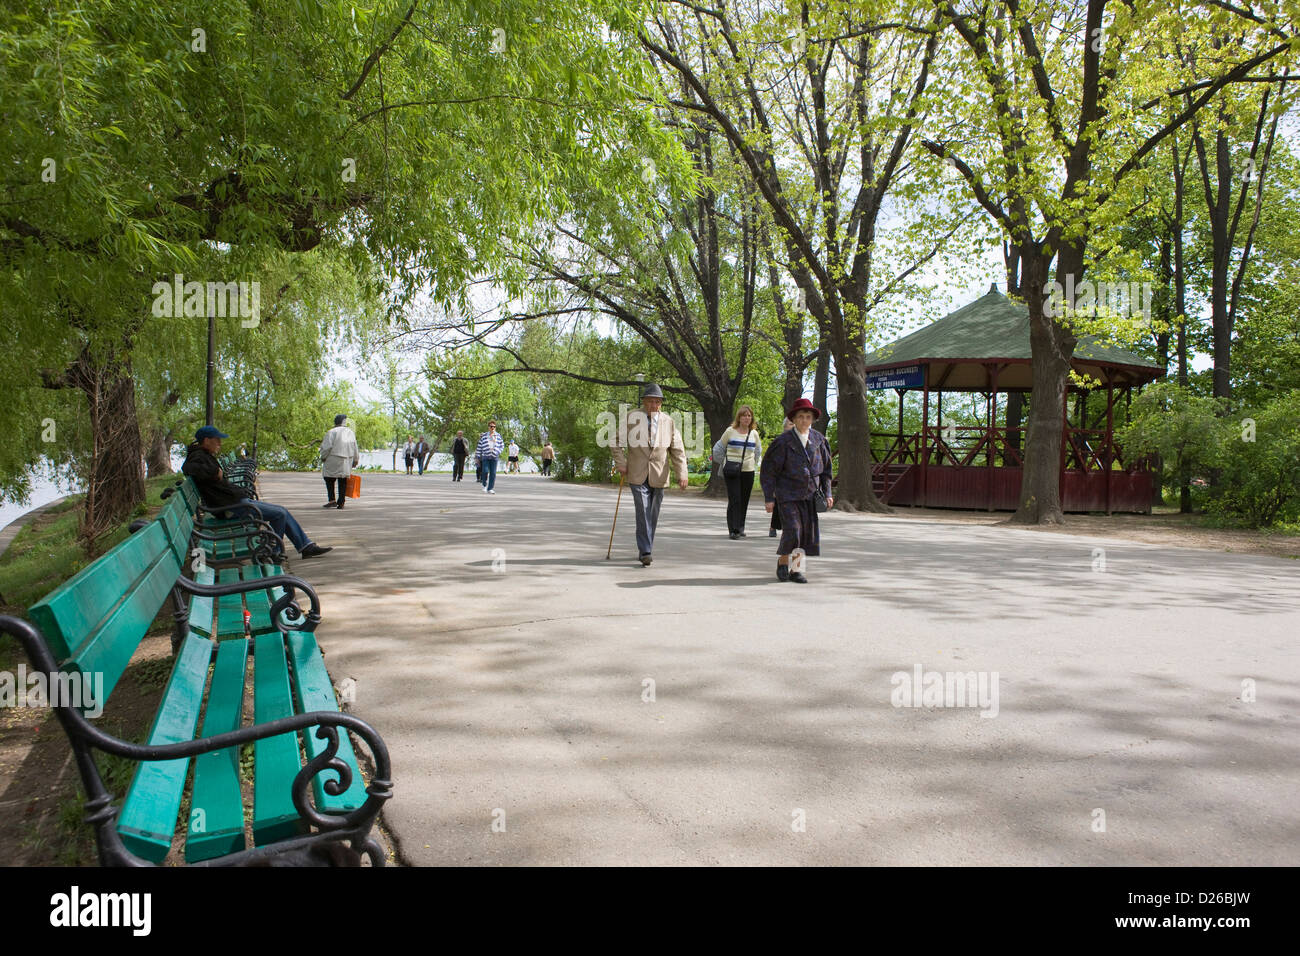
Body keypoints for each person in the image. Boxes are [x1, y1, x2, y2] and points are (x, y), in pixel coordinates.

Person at [183, 425, 332, 559]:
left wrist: (216, 473)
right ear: (207, 440)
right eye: (217, 440)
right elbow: (188, 468)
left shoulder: (202, 455)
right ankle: (274, 552)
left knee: (281, 511)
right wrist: (215, 471)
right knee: (279, 514)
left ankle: (304, 546)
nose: (220, 443)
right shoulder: (197, 456)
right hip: (229, 507)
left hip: (233, 502)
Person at [612, 383, 688, 566]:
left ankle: (646, 547)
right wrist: (621, 463)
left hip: (659, 474)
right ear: (644, 402)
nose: (654, 405)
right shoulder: (631, 418)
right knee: (642, 509)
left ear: (661, 404)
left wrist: (682, 473)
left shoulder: (668, 422)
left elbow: (677, 449)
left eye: (657, 402)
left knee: (653, 513)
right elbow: (615, 441)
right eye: (650, 401)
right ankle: (646, 550)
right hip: (637, 472)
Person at [760, 399, 833, 583]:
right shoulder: (782, 442)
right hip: (787, 494)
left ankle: (797, 569)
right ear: (793, 418)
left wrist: (828, 493)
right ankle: (783, 563)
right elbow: (768, 471)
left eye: (808, 417)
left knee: (805, 532)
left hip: (810, 494)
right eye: (800, 417)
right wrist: (769, 497)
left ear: (812, 420)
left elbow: (826, 471)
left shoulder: (819, 440)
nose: (804, 420)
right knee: (793, 529)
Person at [712, 405, 763, 539]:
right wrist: (725, 462)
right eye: (744, 415)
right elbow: (717, 450)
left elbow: (758, 452)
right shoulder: (730, 431)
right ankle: (733, 530)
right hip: (732, 471)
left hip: (748, 471)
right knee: (735, 499)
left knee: (744, 500)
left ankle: (740, 527)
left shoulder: (754, 434)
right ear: (739, 417)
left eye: (749, 415)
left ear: (751, 418)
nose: (746, 418)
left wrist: (753, 464)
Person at [320, 413, 360, 509]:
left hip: (333, 458)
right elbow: (355, 447)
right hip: (346, 459)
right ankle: (341, 502)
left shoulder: (331, 432)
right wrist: (355, 459)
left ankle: (332, 500)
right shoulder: (350, 432)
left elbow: (326, 447)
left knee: (329, 478)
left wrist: (323, 457)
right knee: (343, 480)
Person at [769, 418, 794, 537]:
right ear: (785, 426)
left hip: (794, 477)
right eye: (790, 424)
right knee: (779, 503)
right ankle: (773, 526)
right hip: (780, 477)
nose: (793, 426)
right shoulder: (778, 442)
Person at [477, 420, 505, 493]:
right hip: (485, 456)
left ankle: (490, 488)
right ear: (488, 427)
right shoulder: (484, 436)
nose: (493, 428)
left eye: (494, 427)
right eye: (491, 426)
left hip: (494, 456)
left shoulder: (498, 436)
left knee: (493, 473)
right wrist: (477, 456)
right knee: (485, 471)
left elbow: (502, 445)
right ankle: (484, 485)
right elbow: (479, 446)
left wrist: (498, 452)